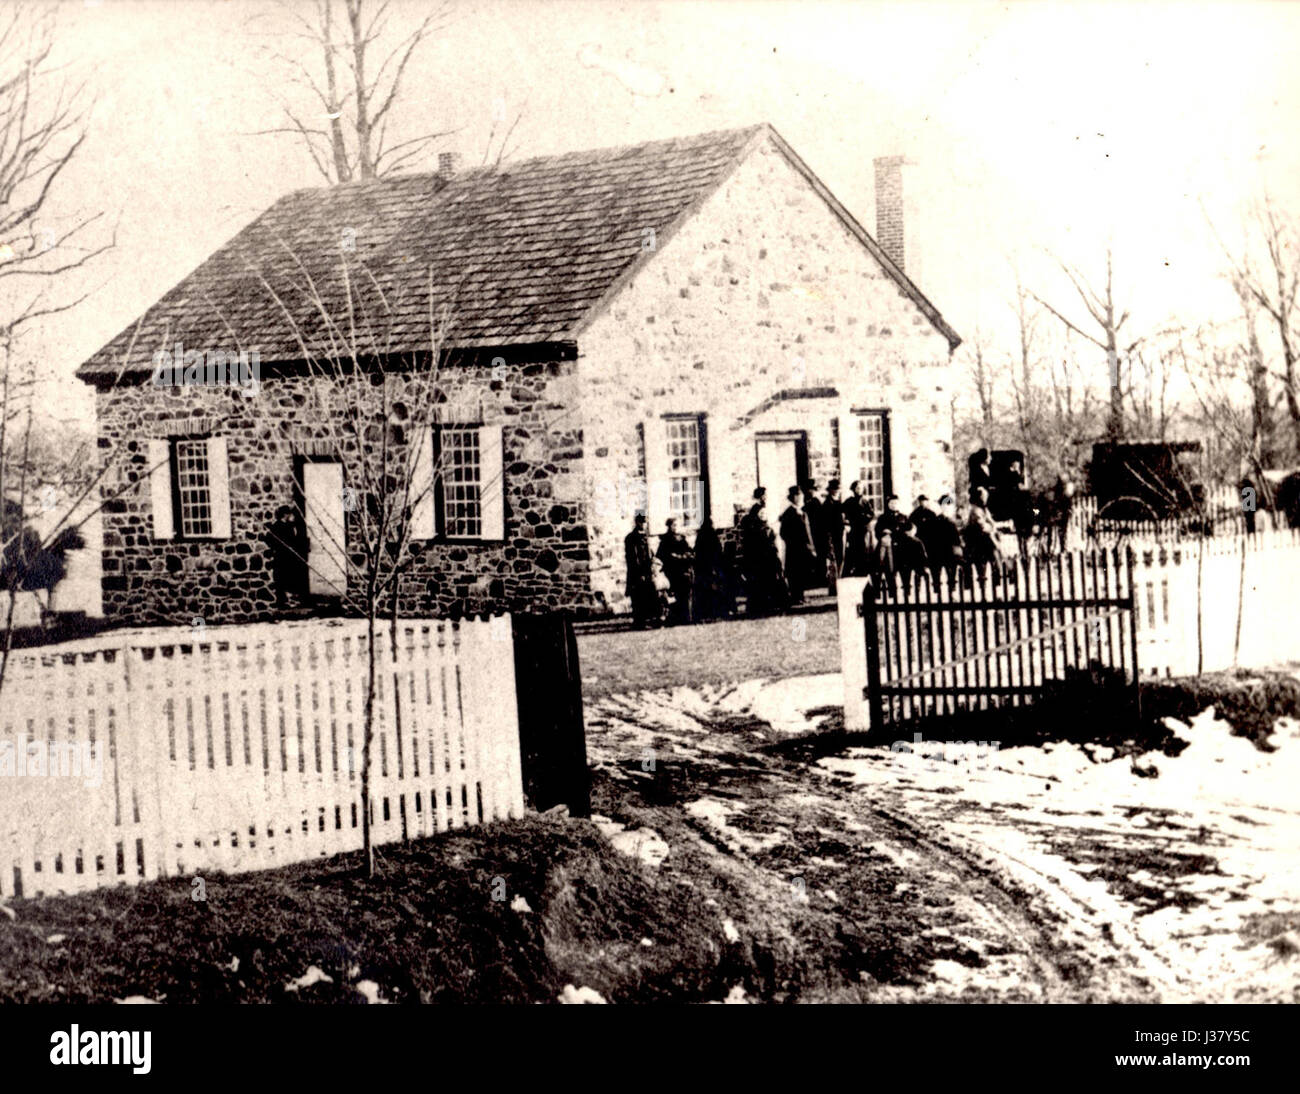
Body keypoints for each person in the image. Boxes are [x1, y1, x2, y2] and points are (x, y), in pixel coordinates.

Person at [741, 495, 786, 616]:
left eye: (764, 513)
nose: (762, 515)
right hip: (758, 560)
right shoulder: (753, 529)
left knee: (772, 581)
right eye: (760, 514)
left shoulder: (769, 528)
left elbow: (773, 544)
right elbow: (749, 546)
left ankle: (773, 605)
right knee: (759, 583)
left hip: (770, 559)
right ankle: (758, 607)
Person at [779, 485, 817, 605]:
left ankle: (800, 595)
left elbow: (808, 532)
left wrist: (811, 546)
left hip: (804, 548)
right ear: (793, 497)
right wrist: (795, 543)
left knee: (802, 571)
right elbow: (783, 532)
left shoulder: (802, 512)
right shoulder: (788, 513)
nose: (801, 497)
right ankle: (795, 596)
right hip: (794, 549)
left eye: (801, 495)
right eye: (798, 496)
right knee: (794, 572)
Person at [264, 505, 308, 609]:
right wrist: (279, 547)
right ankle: (281, 603)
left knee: (291, 578)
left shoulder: (290, 526)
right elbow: (269, 540)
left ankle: (292, 600)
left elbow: (294, 540)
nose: (291, 516)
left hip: (290, 556)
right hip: (281, 557)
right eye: (289, 514)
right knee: (280, 579)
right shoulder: (276, 526)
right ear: (285, 514)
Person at [656, 517, 695, 624]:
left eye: (676, 525)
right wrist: (673, 557)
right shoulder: (665, 540)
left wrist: (686, 556)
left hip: (683, 570)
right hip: (672, 571)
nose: (675, 528)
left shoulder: (681, 539)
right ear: (668, 526)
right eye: (673, 525)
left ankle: (686, 617)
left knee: (685, 594)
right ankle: (675, 617)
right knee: (674, 594)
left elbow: (690, 551)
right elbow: (661, 555)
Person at [624, 513, 659, 627]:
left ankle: (648, 619)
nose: (644, 524)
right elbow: (633, 558)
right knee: (637, 596)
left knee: (648, 594)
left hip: (647, 571)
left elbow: (649, 554)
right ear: (637, 522)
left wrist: (652, 563)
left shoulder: (645, 537)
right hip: (637, 572)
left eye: (645, 522)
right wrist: (639, 573)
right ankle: (639, 621)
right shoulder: (631, 538)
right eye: (642, 522)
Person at [692, 517, 729, 622]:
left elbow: (697, 551)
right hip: (711, 567)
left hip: (704, 567)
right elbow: (717, 551)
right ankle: (715, 613)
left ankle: (706, 614)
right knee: (714, 590)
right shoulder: (712, 535)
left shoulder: (701, 535)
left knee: (706, 591)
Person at [922, 494, 965, 575]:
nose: (947, 507)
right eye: (945, 505)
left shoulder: (953, 520)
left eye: (949, 505)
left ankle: (952, 585)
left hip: (946, 553)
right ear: (941, 506)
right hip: (941, 553)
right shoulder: (935, 520)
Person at [843, 480, 875, 577]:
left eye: (861, 488)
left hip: (863, 530)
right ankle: (852, 571)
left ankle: (863, 571)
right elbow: (843, 514)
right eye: (857, 488)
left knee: (863, 549)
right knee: (852, 549)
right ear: (853, 489)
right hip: (853, 530)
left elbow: (871, 514)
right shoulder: (848, 502)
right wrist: (847, 522)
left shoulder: (865, 502)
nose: (859, 490)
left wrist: (864, 518)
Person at [963, 487, 999, 568]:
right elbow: (982, 527)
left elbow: (991, 523)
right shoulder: (976, 511)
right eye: (984, 497)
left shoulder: (983, 510)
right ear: (979, 498)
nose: (986, 499)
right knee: (995, 553)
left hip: (983, 542)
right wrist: (992, 527)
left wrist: (992, 525)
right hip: (978, 545)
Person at [802, 480, 826, 577]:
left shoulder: (815, 502)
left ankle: (820, 576)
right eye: (809, 490)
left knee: (819, 554)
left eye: (812, 490)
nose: (810, 492)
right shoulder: (806, 502)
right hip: (810, 531)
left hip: (817, 532)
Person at [822, 479, 846, 575]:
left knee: (840, 558)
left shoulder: (838, 502)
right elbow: (828, 523)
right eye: (835, 490)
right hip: (833, 536)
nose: (837, 492)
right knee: (834, 559)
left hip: (840, 535)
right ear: (831, 491)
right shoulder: (828, 504)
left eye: (838, 490)